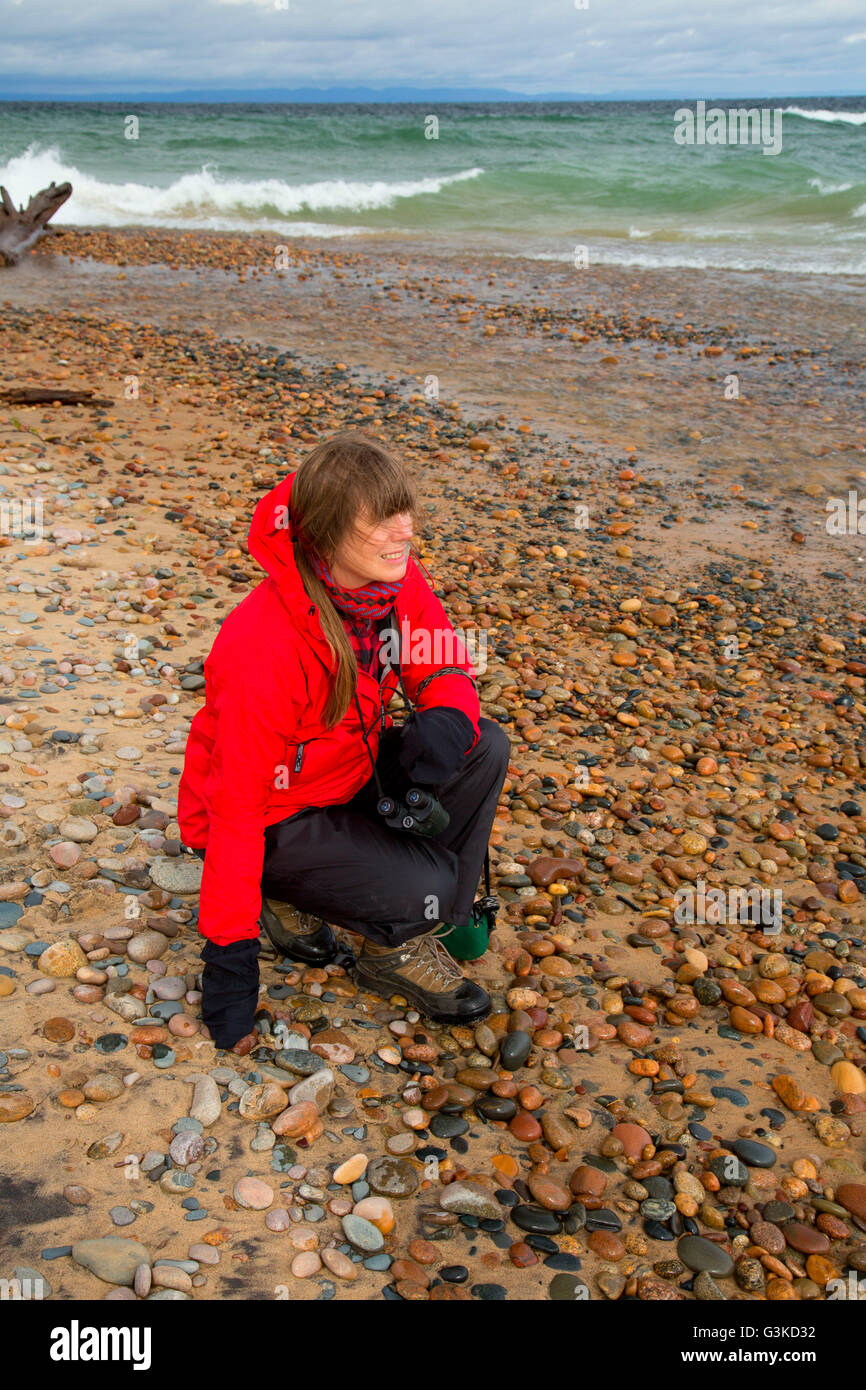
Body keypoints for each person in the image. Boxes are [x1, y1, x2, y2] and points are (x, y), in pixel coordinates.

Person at [177, 429, 510, 1053]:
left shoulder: (394, 583)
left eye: (404, 514)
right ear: (327, 533)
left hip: (345, 773)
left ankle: (405, 934)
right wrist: (229, 959)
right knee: (427, 887)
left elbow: (441, 660)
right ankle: (341, 906)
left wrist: (447, 718)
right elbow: (237, 808)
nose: (403, 533)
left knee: (484, 745)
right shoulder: (263, 645)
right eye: (381, 521)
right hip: (275, 815)